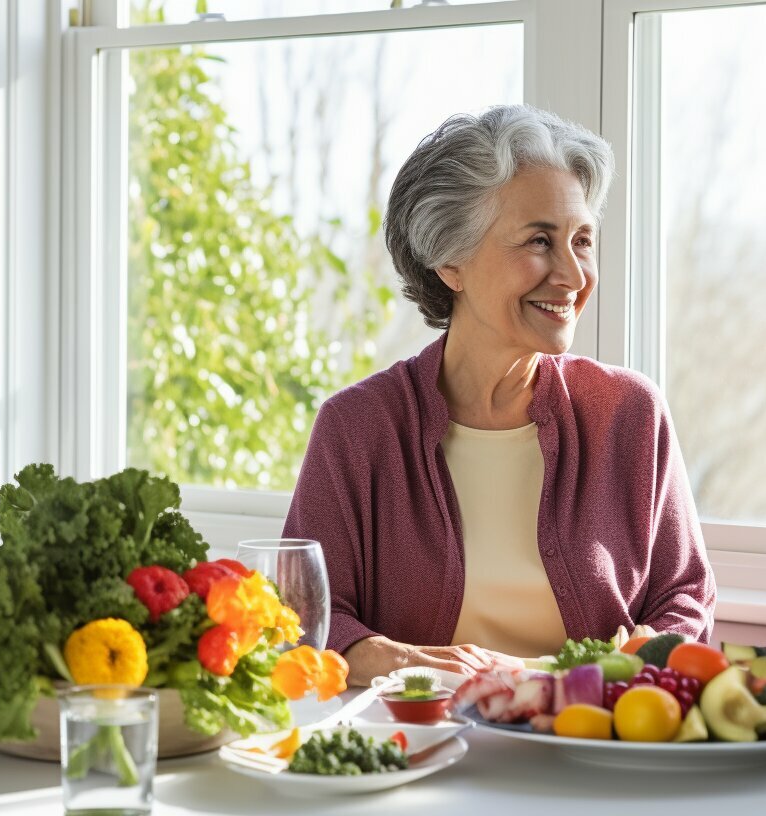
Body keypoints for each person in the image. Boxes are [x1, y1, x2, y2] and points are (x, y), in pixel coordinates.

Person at [282, 105, 715, 686]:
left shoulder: (630, 415)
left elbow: (685, 595)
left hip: (591, 742)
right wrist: (388, 658)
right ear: (449, 261)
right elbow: (300, 616)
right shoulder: (359, 428)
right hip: (423, 746)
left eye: (581, 240)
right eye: (539, 240)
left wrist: (632, 661)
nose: (572, 273)